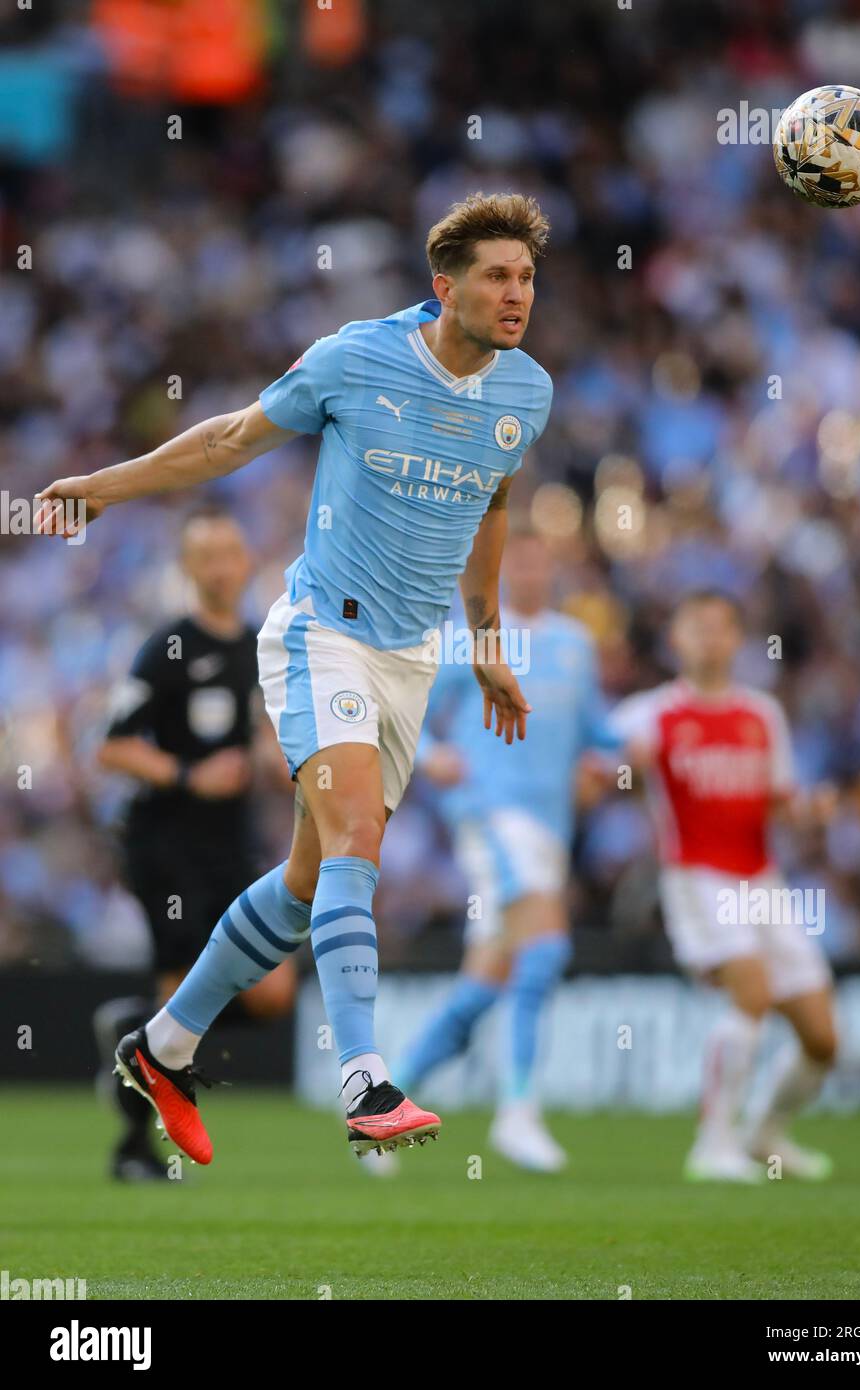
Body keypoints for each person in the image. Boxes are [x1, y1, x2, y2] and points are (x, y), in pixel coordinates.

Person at [36, 192, 554, 1164]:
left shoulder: (526, 393)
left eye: (524, 275)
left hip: (411, 655)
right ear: (444, 287)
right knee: (357, 834)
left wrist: (483, 636)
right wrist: (103, 488)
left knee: (311, 878)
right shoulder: (357, 358)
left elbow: (492, 506)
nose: (515, 292)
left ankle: (164, 1046)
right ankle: (365, 1076)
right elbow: (230, 438)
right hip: (324, 631)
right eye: (495, 274)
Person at [393, 528, 615, 1172]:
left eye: (538, 559)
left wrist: (606, 763)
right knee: (546, 948)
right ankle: (517, 1113)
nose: (528, 570)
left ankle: (382, 1104)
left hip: (552, 829)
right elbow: (408, 714)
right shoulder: (471, 642)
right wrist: (434, 759)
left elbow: (598, 731)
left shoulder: (575, 644)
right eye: (513, 559)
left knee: (488, 980)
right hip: (491, 816)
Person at [93, 507, 295, 1180]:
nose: (219, 566)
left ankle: (134, 1026)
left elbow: (259, 733)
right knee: (178, 994)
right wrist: (188, 774)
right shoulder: (168, 647)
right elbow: (114, 747)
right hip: (167, 842)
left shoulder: (255, 645)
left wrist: (274, 760)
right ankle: (130, 1152)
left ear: (244, 561)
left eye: (229, 552)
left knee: (272, 994)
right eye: (205, 555)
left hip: (230, 844)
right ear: (188, 568)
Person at [611, 591, 838, 1183]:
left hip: (762, 877)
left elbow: (781, 801)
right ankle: (712, 1144)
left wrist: (809, 812)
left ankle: (766, 1134)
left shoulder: (762, 715)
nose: (711, 639)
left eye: (721, 628)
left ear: (737, 639)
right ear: (675, 640)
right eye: (698, 627)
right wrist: (622, 769)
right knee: (752, 993)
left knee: (822, 1038)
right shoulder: (647, 715)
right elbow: (597, 777)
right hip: (695, 875)